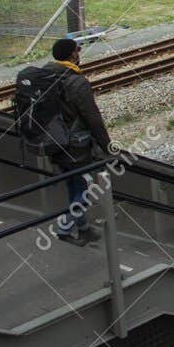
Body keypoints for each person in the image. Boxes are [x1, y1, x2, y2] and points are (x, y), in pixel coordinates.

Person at [45, 37, 113, 246]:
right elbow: (92, 118)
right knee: (84, 186)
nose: (79, 53)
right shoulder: (76, 81)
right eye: (77, 50)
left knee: (72, 183)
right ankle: (64, 228)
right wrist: (107, 146)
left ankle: (83, 228)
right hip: (75, 145)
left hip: (52, 141)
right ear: (73, 54)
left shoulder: (45, 75)